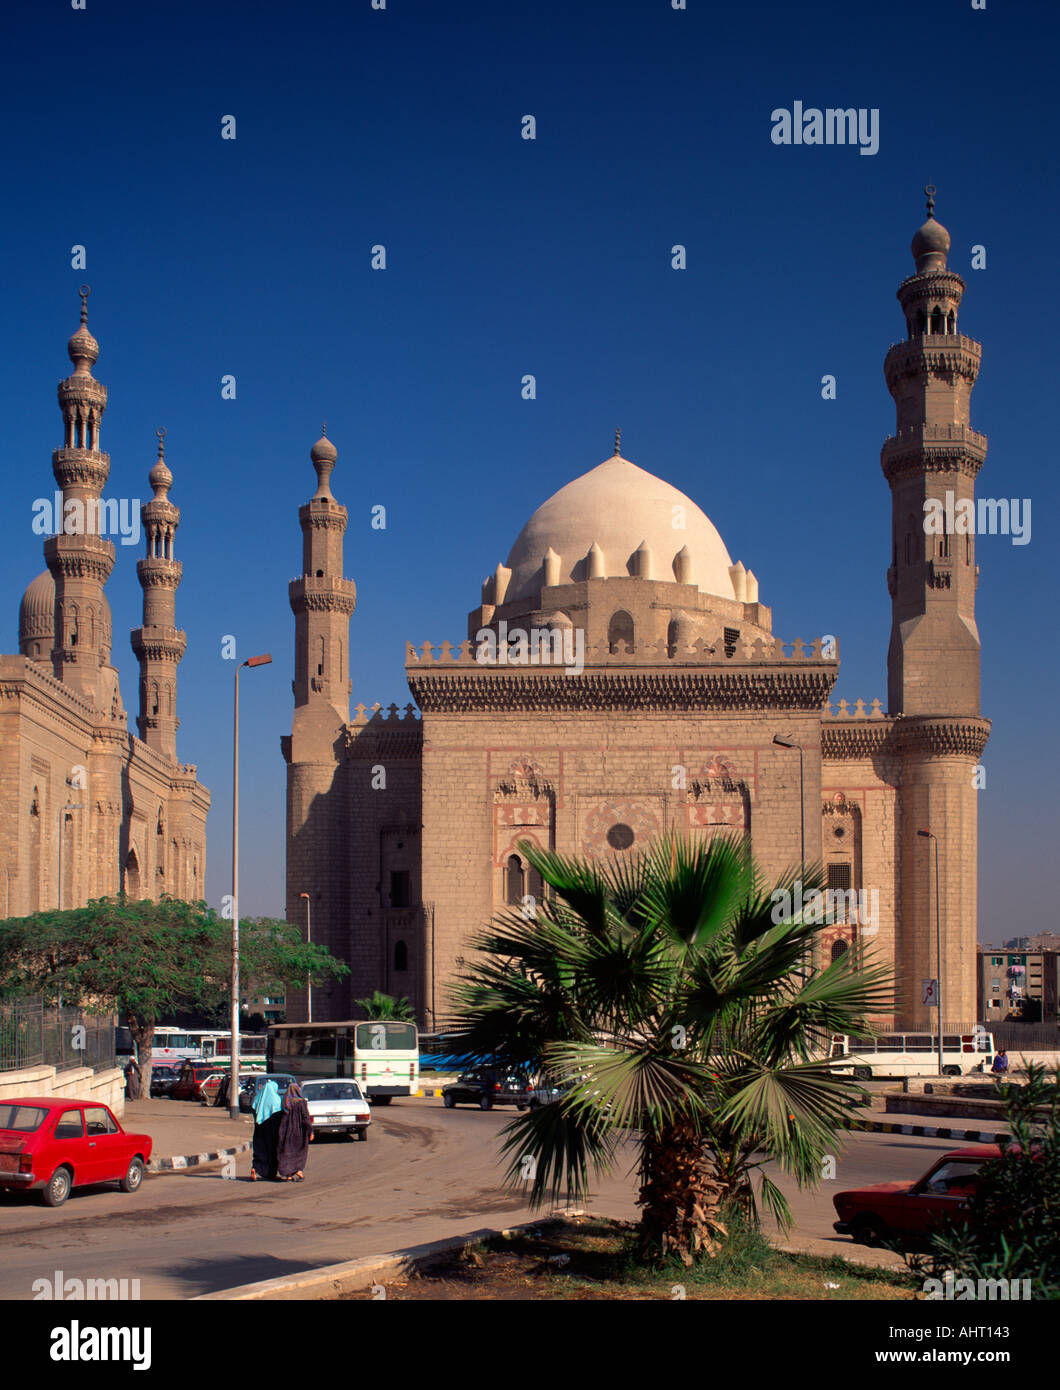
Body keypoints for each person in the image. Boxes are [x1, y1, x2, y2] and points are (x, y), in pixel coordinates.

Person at [277, 1081, 313, 1182]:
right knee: (299, 1151)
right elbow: (305, 1118)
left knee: (287, 1151)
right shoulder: (301, 1102)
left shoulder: (285, 1101)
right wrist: (310, 1131)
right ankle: (298, 1171)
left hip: (285, 1130)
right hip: (298, 1131)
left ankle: (288, 1174)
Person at [251, 1079, 283, 1181]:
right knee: (271, 1152)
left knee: (259, 1151)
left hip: (259, 1131)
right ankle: (271, 1174)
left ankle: (255, 1168)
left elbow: (253, 1112)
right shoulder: (276, 1100)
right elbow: (279, 1117)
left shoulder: (257, 1099)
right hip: (272, 1133)